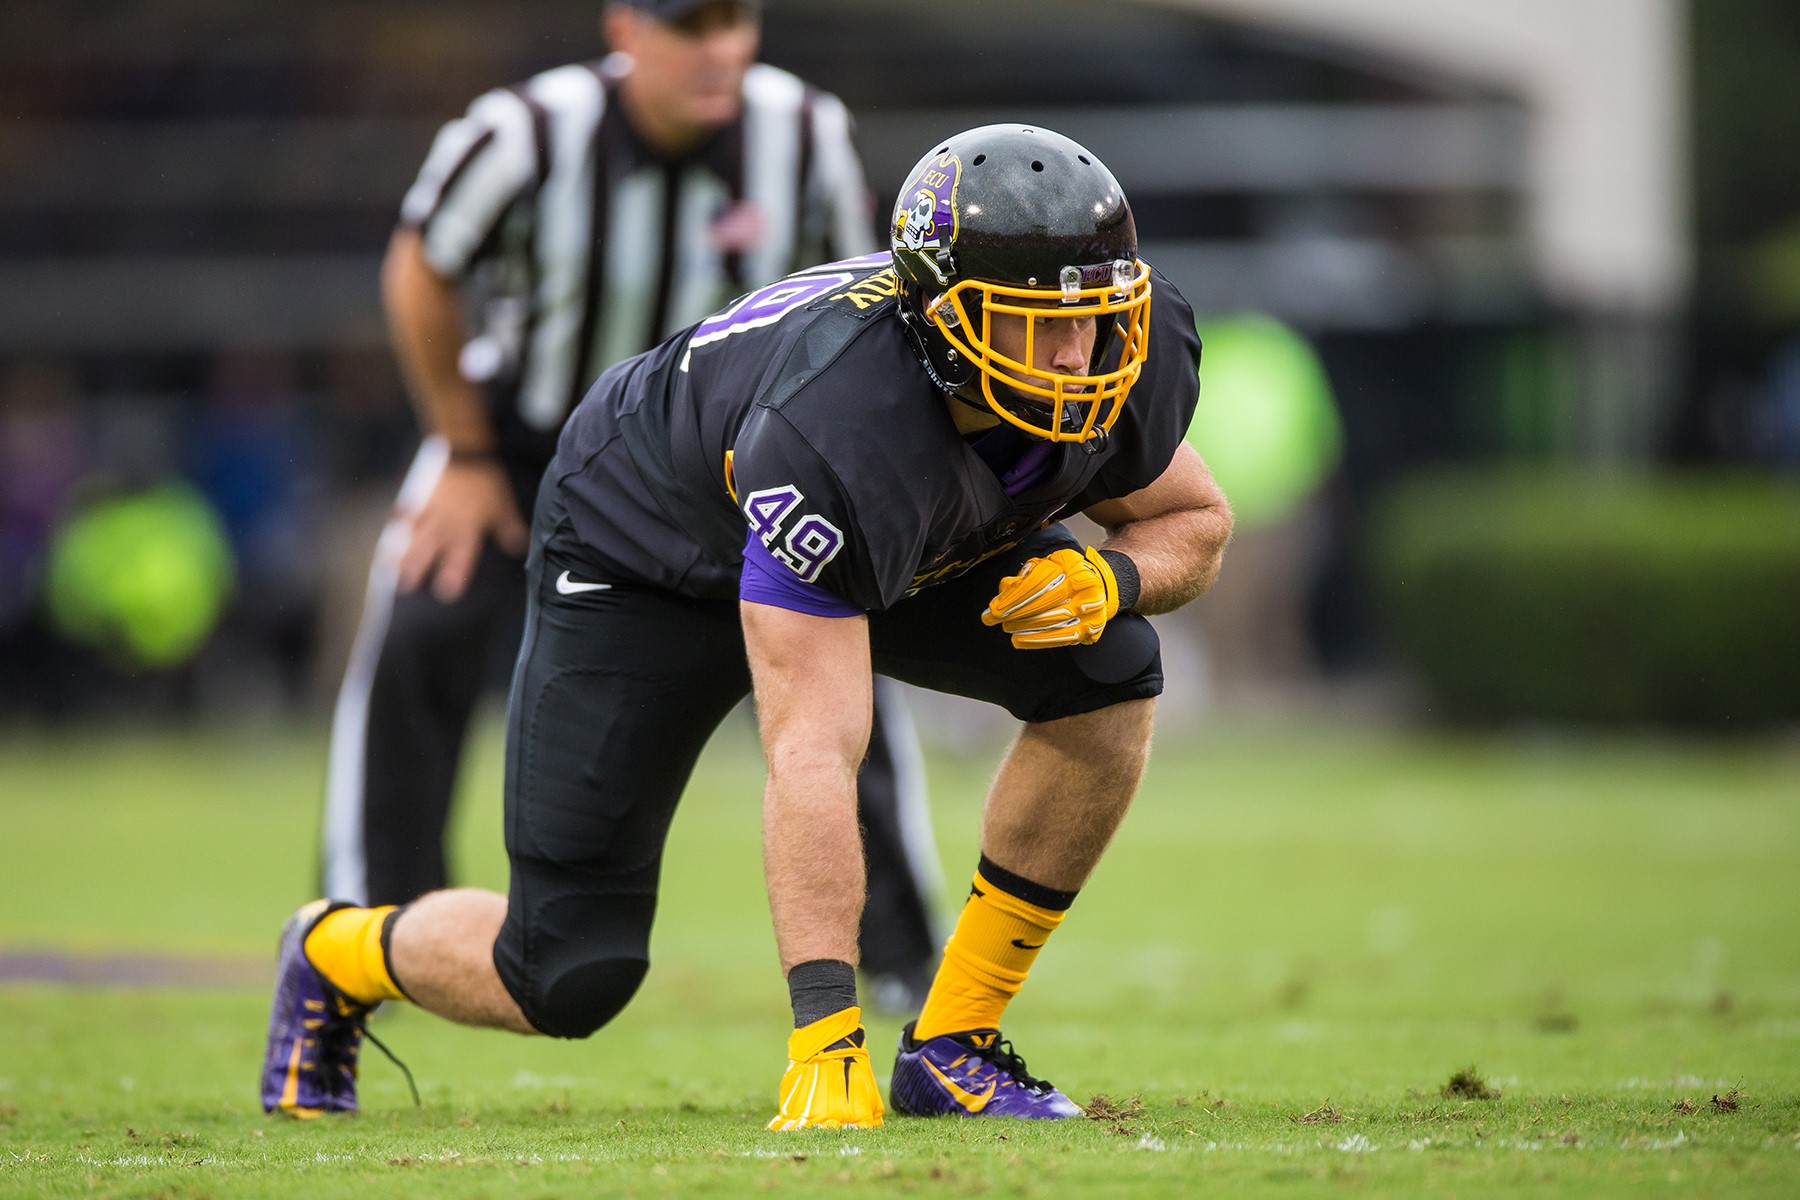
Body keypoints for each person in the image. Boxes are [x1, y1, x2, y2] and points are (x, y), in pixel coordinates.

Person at [264, 124, 1232, 1128]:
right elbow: (812, 747)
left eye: (1093, 318)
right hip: (646, 550)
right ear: (944, 322)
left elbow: (1196, 520)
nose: (1077, 357)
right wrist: (824, 1032)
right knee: (563, 971)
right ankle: (334, 950)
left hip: (865, 526)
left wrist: (1117, 580)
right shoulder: (844, 422)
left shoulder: (1128, 353)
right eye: (1035, 325)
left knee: (1109, 670)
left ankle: (954, 1045)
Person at [321, 0, 942, 1009]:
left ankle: (907, 955)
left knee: (840, 665)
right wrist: (466, 452)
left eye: (735, 21)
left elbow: (860, 295)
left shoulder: (805, 130)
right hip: (525, 449)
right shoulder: (521, 132)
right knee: (422, 625)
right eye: (689, 24)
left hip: (731, 464)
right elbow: (420, 271)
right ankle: (364, 919)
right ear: (624, 31)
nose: (719, 49)